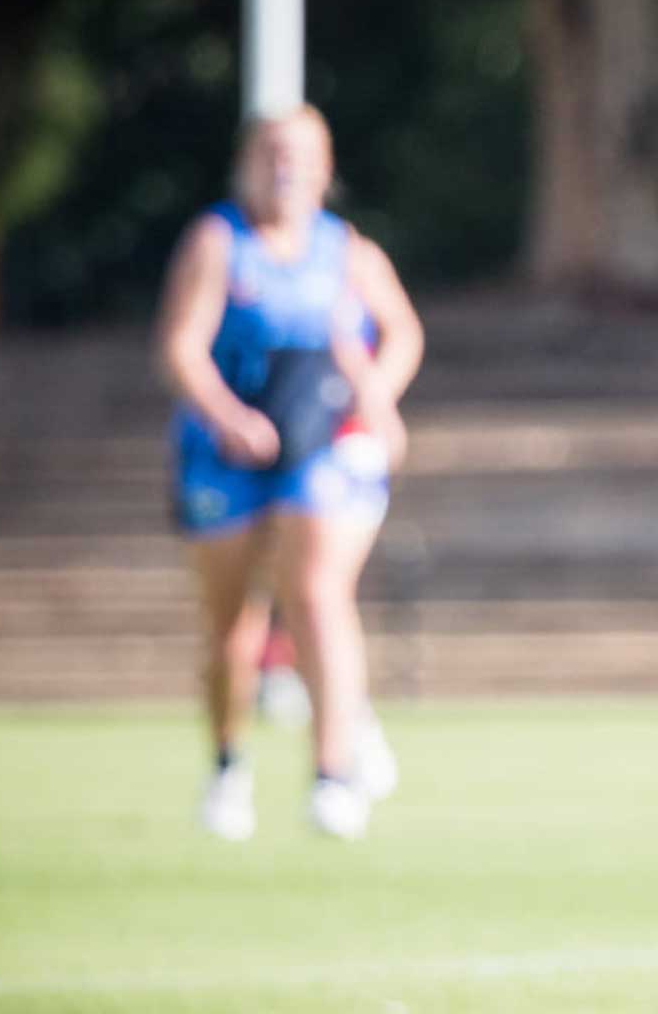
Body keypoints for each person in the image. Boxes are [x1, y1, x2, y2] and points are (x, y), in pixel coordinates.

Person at [155, 105, 419, 840]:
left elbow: (401, 332)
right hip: (226, 450)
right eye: (273, 152)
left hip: (322, 445)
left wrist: (377, 396)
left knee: (317, 592)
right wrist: (225, 416)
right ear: (248, 161)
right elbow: (181, 345)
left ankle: (332, 771)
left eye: (302, 154)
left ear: (326, 167)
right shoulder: (218, 242)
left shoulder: (348, 253)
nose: (286, 167)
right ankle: (227, 765)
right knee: (232, 625)